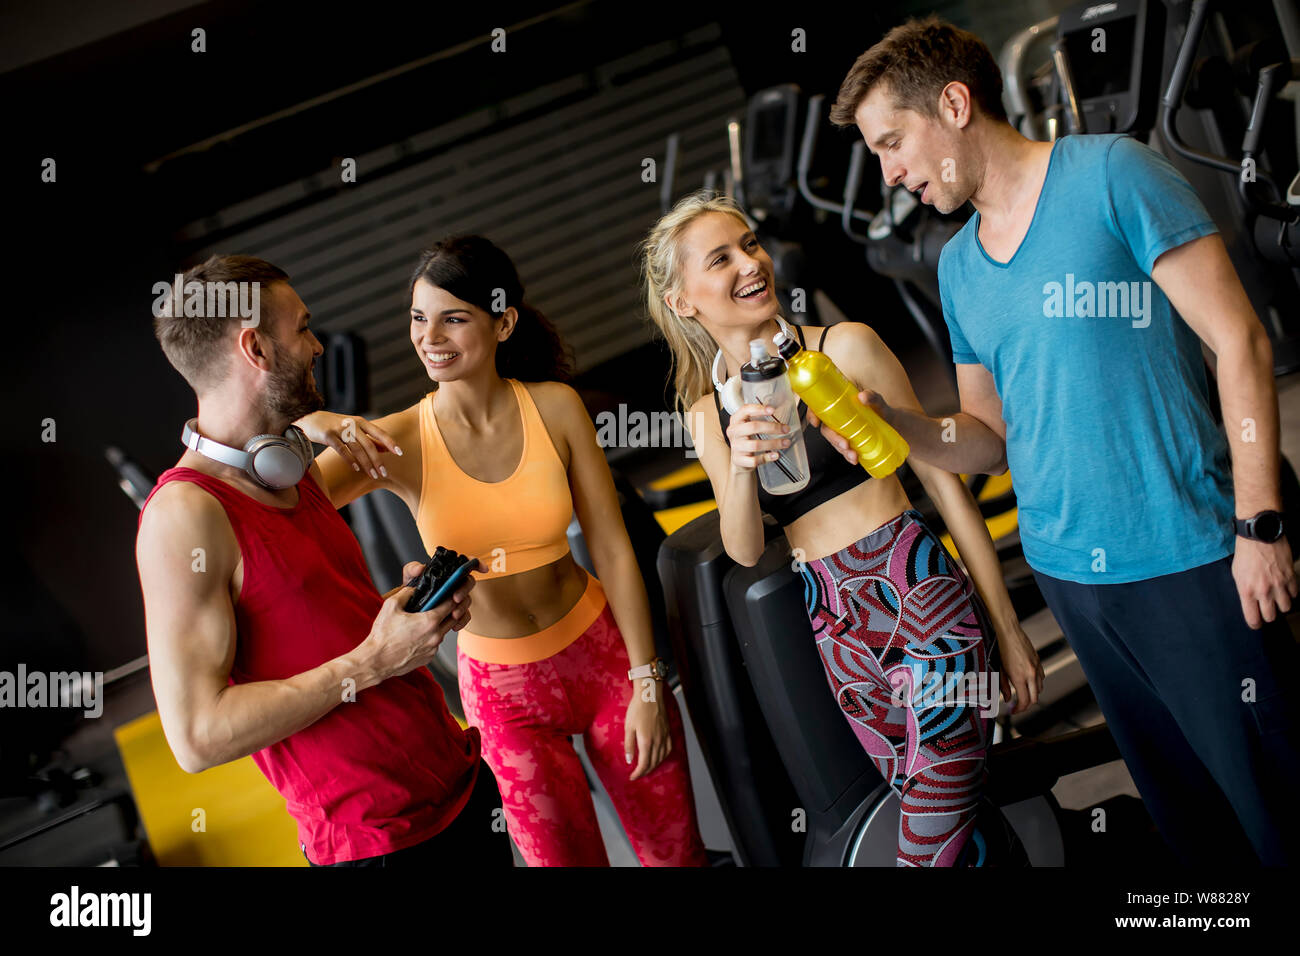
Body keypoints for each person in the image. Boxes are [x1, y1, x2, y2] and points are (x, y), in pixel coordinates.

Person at [825, 15, 1300, 865]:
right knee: (1191, 821)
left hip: (1190, 554)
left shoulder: (1114, 174)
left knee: (1275, 798)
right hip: (1074, 582)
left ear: (956, 104)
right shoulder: (960, 267)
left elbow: (1242, 341)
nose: (890, 172)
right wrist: (897, 426)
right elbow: (986, 439)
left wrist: (1260, 522)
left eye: (892, 141)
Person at [641, 190, 1043, 866]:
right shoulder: (706, 413)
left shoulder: (846, 345)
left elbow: (947, 487)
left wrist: (1006, 625)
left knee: (928, 829)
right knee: (950, 827)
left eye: (750, 244)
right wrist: (740, 465)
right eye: (721, 258)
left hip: (917, 589)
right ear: (684, 300)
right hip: (834, 622)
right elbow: (743, 547)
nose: (751, 263)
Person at [296, 235, 709, 867]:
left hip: (603, 659)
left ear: (503, 322)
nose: (429, 336)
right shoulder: (399, 439)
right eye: (417, 317)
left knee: (676, 855)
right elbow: (279, 500)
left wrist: (648, 681)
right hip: (502, 693)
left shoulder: (556, 407)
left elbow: (614, 548)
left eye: (453, 318)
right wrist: (306, 426)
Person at [137, 254, 513, 868]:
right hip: (379, 844)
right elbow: (197, 737)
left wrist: (406, 616)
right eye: (303, 328)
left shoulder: (286, 468)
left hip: (459, 785)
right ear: (256, 348)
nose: (316, 346)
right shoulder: (186, 516)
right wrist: (371, 661)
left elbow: (320, 617)